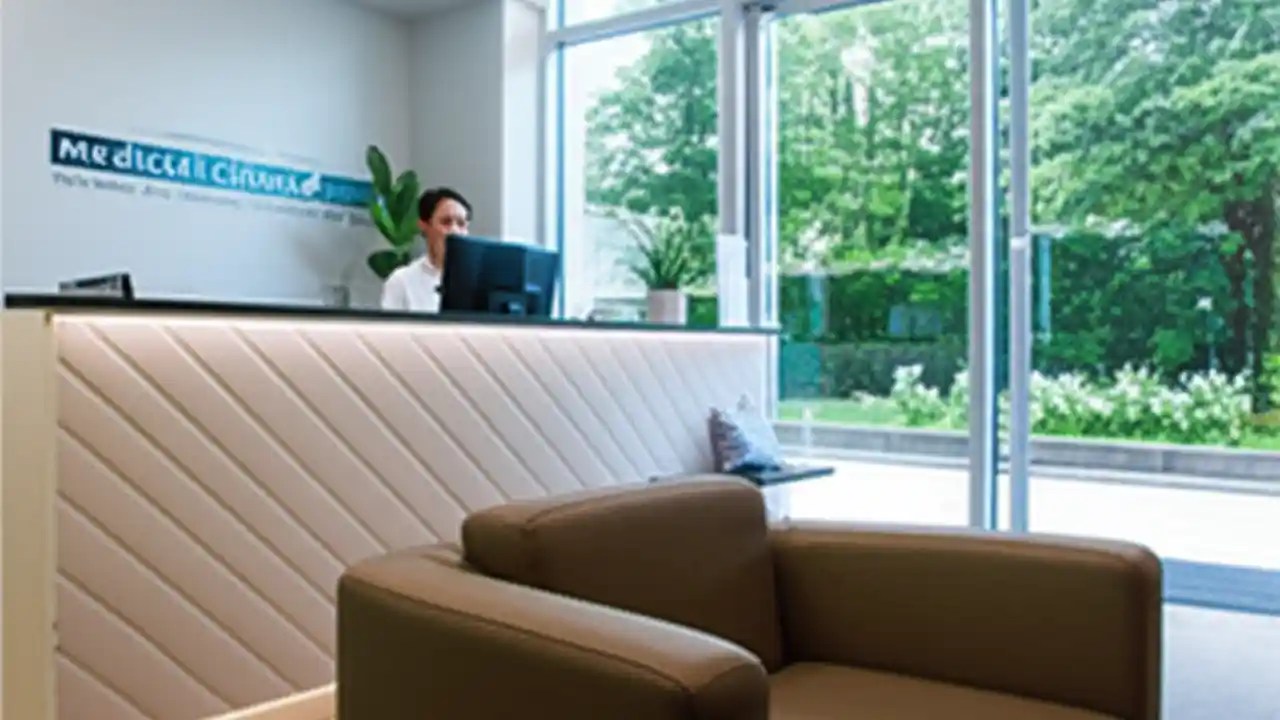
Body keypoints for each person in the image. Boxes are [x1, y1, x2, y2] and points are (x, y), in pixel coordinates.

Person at [380, 187, 471, 312]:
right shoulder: (402, 281)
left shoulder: (479, 282)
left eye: (461, 224)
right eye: (446, 222)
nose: (454, 231)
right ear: (424, 226)